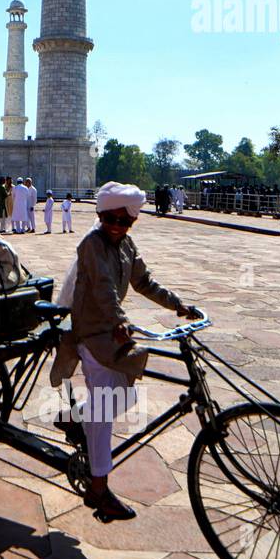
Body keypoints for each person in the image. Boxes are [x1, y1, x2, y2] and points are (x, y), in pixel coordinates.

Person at [50, 181, 200, 522]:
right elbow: (103, 289)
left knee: (126, 396)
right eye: (112, 219)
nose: (118, 226)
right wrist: (121, 321)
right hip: (92, 333)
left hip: (114, 334)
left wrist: (179, 305)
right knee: (103, 411)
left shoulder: (126, 245)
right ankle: (98, 489)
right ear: (102, 215)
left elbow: (144, 281)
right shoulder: (92, 244)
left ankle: (74, 417)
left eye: (125, 221)